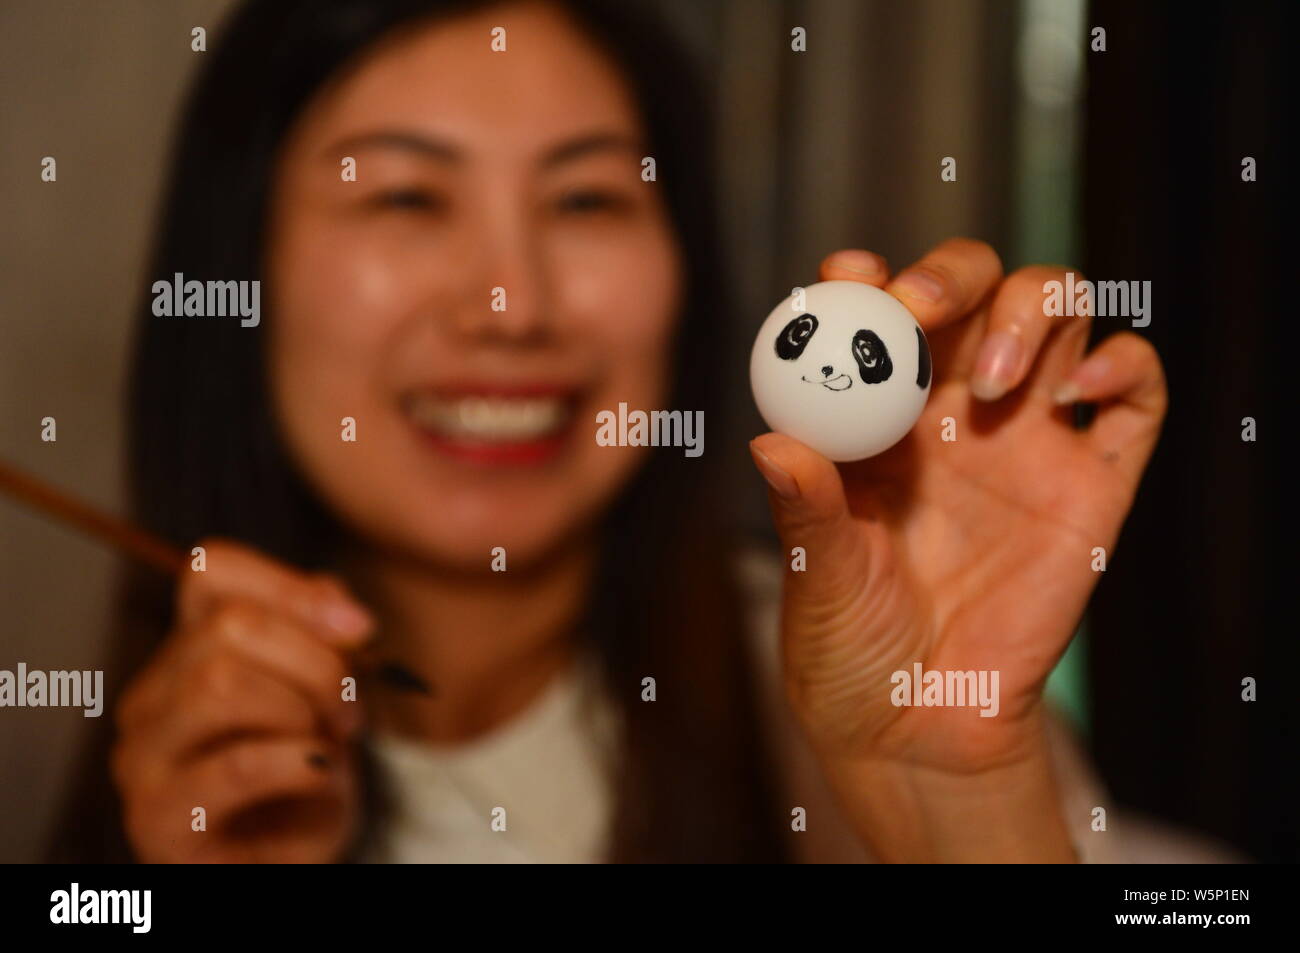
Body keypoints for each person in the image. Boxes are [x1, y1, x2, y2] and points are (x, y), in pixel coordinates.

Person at [49, 0, 1174, 863]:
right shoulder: (154, 784)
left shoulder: (869, 678)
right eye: (405, 197)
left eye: (587, 200)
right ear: (239, 277)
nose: (511, 306)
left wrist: (962, 803)